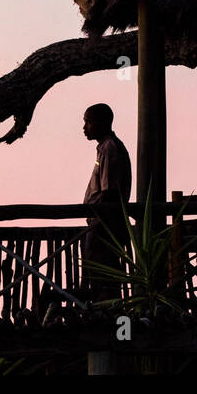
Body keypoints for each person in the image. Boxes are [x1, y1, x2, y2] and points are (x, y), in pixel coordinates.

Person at [80, 103, 131, 304]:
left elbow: (109, 192)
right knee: (100, 273)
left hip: (105, 223)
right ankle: (105, 311)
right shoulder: (106, 147)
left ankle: (107, 313)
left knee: (102, 272)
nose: (84, 128)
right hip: (103, 221)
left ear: (102, 123)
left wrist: (97, 221)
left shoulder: (110, 148)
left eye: (88, 122)